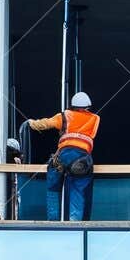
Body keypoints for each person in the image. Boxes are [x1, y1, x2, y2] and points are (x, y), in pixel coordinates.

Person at [26, 91, 100, 221]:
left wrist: (32, 123)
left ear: (72, 105)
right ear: (88, 106)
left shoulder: (65, 116)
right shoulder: (94, 119)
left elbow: (46, 123)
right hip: (81, 158)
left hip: (63, 155)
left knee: (53, 188)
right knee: (78, 190)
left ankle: (53, 222)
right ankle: (75, 224)